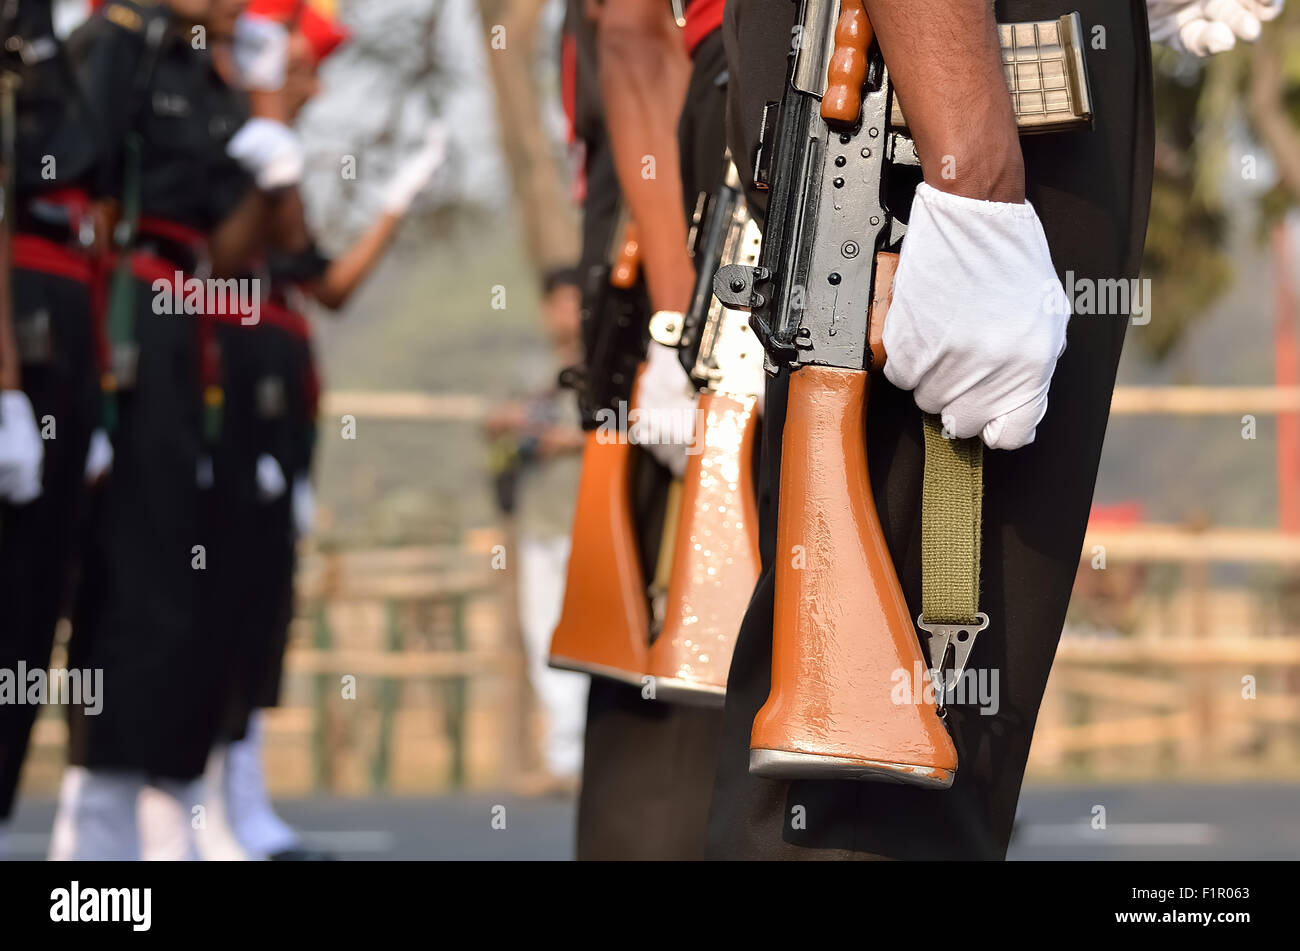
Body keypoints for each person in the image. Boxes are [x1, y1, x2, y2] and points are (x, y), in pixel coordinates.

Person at [703, 0, 1280, 860]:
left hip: (936, 98)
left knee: (938, 766)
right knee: (880, 792)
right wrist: (971, 174)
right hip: (929, 118)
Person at [51, 0, 301, 861]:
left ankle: (159, 794)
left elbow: (228, 252)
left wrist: (274, 170)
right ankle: (94, 810)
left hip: (189, 318)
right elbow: (79, 185)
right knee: (115, 572)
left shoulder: (204, 72)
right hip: (118, 309)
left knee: (175, 567)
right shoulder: (116, 46)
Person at [0, 0, 102, 858]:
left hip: (57, 333)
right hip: (20, 330)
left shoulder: (56, 37)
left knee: (30, 606)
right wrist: (4, 384)